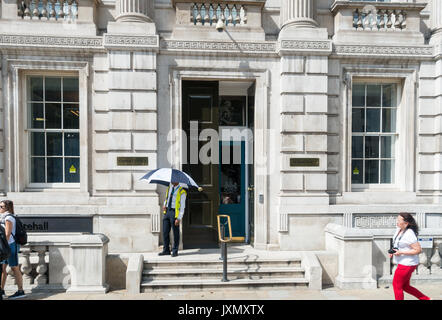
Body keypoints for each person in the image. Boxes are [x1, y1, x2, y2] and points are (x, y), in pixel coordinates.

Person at [390, 212, 430, 300]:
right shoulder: (399, 229)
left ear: (406, 223)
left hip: (407, 264)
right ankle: (426, 299)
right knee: (405, 286)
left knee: (396, 286)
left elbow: (418, 250)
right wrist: (393, 250)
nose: (397, 222)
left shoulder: (409, 234)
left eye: (399, 220)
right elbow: (398, 242)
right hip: (404, 263)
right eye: (397, 219)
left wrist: (401, 252)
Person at [0, 200, 26, 299]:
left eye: (1, 207)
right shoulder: (3, 218)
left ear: (7, 208)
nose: (0, 208)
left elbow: (7, 234)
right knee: (3, 268)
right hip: (6, 245)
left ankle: (20, 291)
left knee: (14, 267)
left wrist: (3, 247)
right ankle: (1, 290)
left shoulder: (9, 218)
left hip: (10, 245)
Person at [159, 182, 187, 257]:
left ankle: (175, 251)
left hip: (174, 213)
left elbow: (182, 206)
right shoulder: (169, 188)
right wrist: (165, 205)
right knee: (165, 232)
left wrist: (179, 218)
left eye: (173, 179)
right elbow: (167, 198)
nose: (171, 180)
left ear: (177, 181)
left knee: (175, 233)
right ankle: (166, 250)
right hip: (167, 211)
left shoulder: (182, 192)